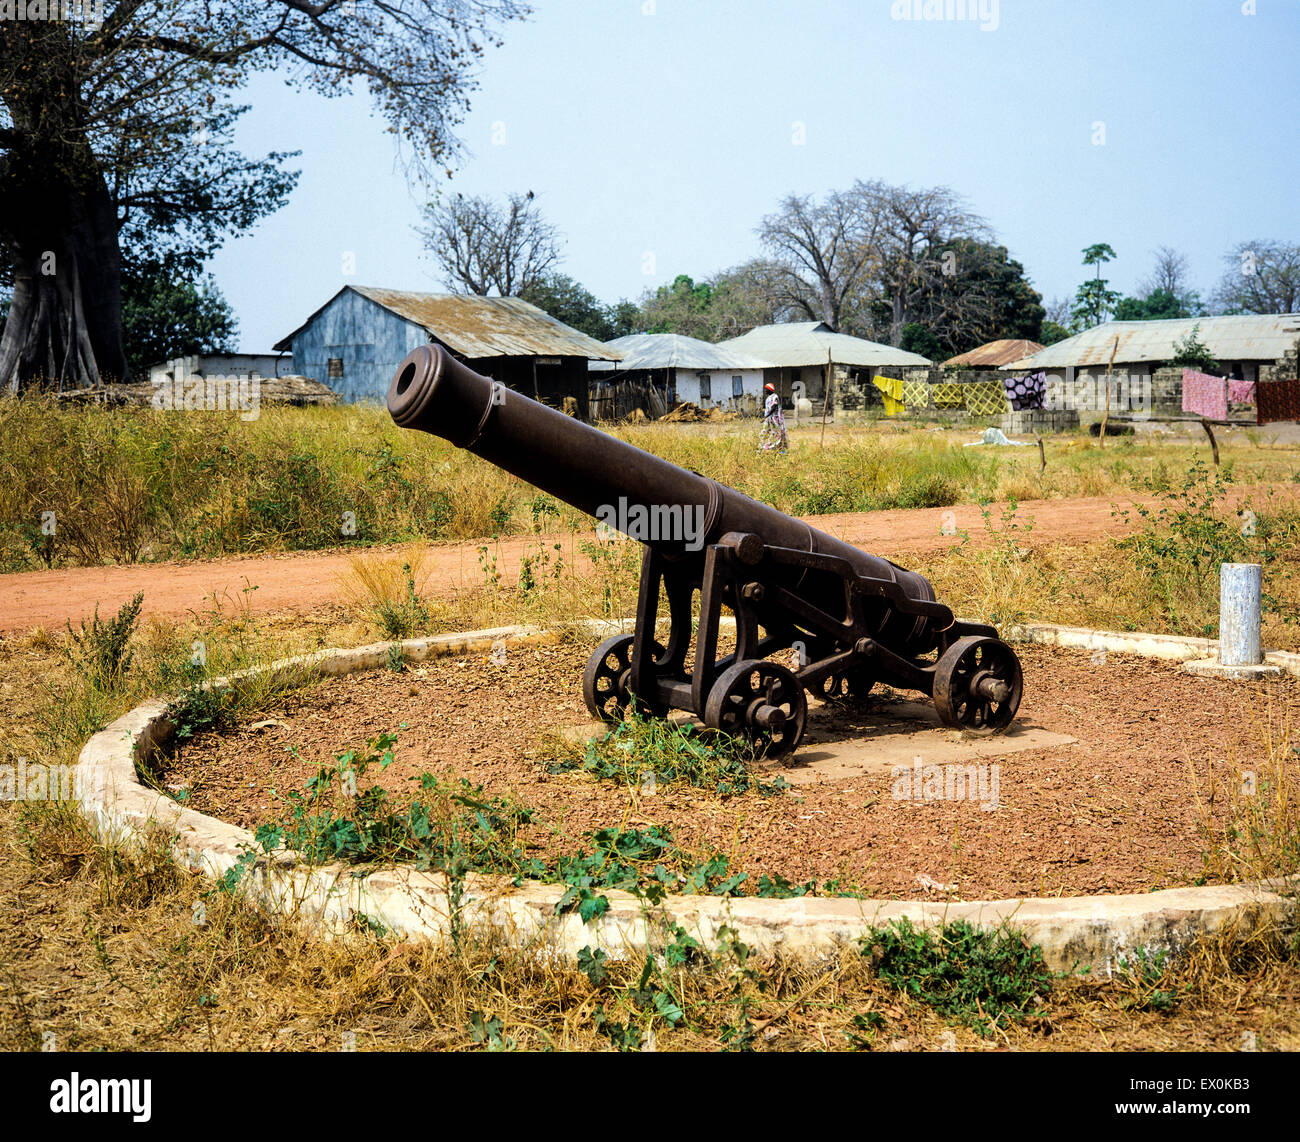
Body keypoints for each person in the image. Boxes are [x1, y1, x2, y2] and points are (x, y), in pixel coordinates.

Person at [758, 382, 788, 454]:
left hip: (775, 419)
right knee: (765, 432)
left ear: (769, 390)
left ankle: (781, 449)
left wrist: (766, 416)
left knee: (778, 433)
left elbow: (773, 408)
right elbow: (768, 408)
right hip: (768, 419)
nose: (765, 391)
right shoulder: (768, 398)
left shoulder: (775, 397)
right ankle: (762, 447)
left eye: (766, 389)